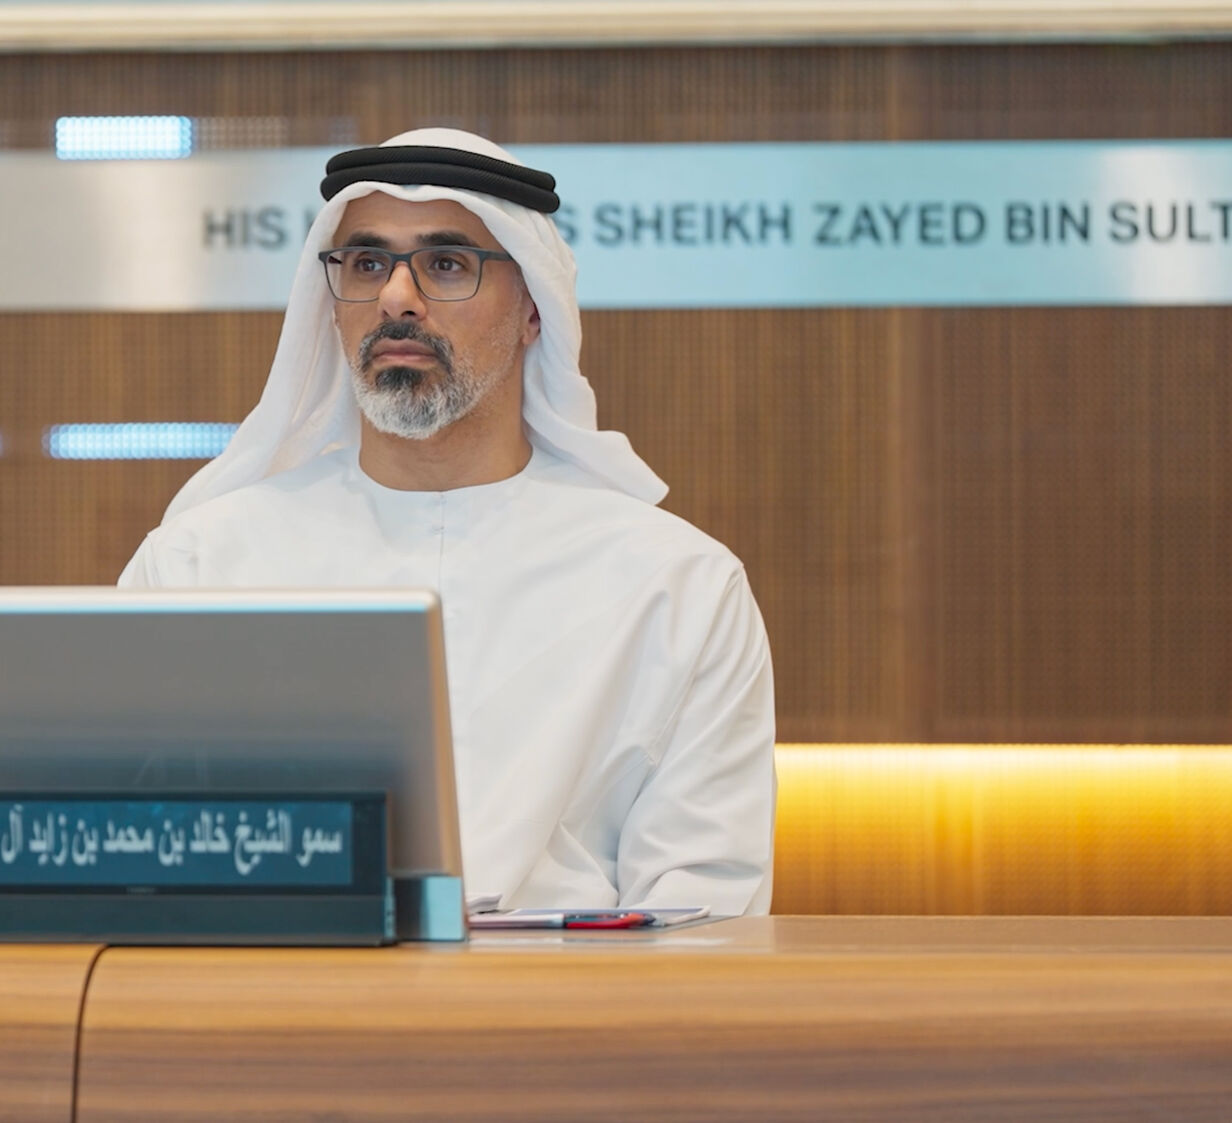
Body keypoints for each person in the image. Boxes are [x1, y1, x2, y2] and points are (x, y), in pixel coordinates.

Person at [119, 129, 776, 915]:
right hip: (273, 1011)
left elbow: (706, 911)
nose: (397, 297)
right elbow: (130, 860)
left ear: (534, 310)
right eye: (367, 264)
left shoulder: (679, 586)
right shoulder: (198, 565)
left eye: (446, 264)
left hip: (562, 1016)